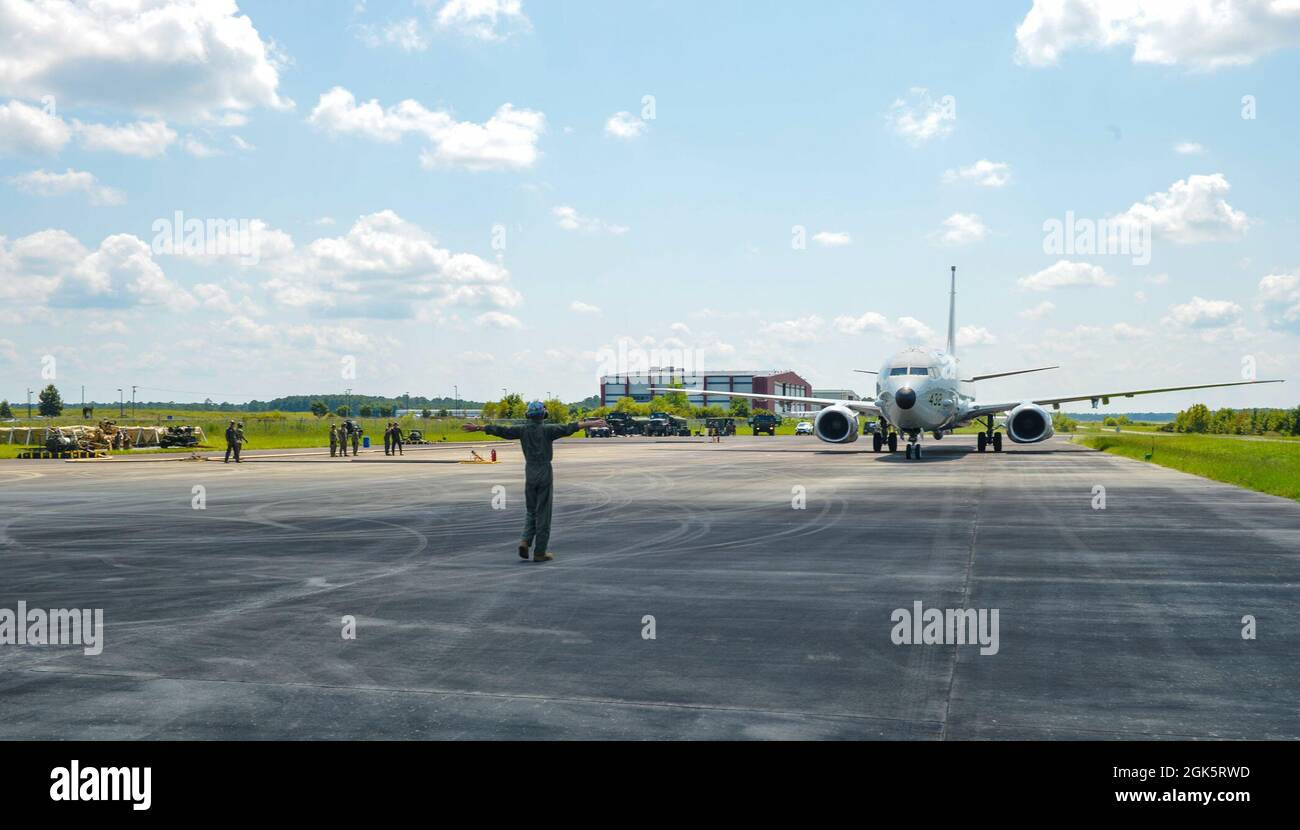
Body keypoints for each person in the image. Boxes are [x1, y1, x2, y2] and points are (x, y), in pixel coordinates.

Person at [463, 402, 606, 563]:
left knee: (531, 510)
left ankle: (525, 540)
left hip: (529, 471)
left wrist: (478, 428)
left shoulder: (522, 430)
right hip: (544, 471)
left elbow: (502, 430)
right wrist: (592, 423)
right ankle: (540, 552)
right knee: (543, 513)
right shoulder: (548, 430)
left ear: (527, 415)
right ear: (543, 415)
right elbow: (570, 427)